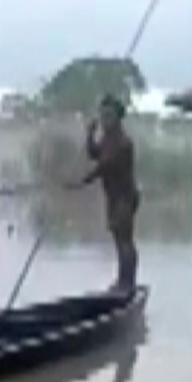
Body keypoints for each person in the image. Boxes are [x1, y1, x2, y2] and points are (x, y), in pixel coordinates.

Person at [72, 95, 139, 292]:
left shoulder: (122, 142)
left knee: (125, 241)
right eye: (102, 115)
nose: (103, 119)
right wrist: (89, 134)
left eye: (108, 115)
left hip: (124, 198)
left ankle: (127, 283)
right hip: (114, 197)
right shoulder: (108, 138)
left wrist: (81, 183)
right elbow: (94, 153)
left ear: (118, 117)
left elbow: (104, 166)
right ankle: (123, 281)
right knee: (120, 241)